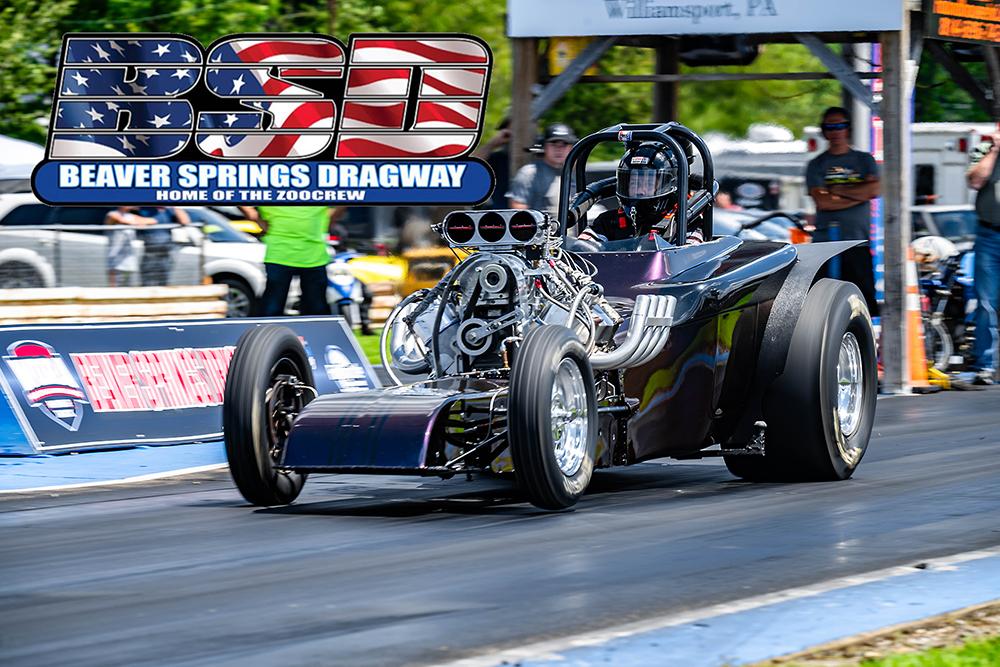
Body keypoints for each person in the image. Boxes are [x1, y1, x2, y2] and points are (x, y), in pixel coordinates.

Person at [805, 107, 881, 315]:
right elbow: (823, 202)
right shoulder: (817, 164)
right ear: (824, 131)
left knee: (863, 301)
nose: (836, 131)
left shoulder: (864, 160)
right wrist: (858, 195)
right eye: (830, 126)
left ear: (848, 129)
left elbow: (875, 190)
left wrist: (839, 191)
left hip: (857, 242)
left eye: (840, 126)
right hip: (826, 245)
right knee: (824, 304)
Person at [580, 141, 704, 246]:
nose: (640, 191)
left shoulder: (685, 223)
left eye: (648, 184)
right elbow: (582, 250)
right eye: (634, 183)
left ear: (669, 185)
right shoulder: (607, 222)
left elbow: (688, 259)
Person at [240, 205, 331, 317]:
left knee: (316, 308)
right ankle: (268, 333)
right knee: (273, 308)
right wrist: (254, 217)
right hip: (283, 254)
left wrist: (255, 218)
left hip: (311, 255)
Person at [963, 129, 1000, 385]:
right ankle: (985, 366)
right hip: (989, 234)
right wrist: (995, 150)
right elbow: (975, 180)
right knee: (986, 303)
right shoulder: (986, 148)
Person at [508, 122, 577, 217]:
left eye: (564, 144)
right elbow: (518, 208)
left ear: (571, 148)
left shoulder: (574, 174)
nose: (559, 149)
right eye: (553, 143)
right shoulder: (529, 173)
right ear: (544, 146)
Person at [135, 206, 190, 286]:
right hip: (150, 251)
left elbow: (185, 221)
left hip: (166, 251)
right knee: (147, 281)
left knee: (163, 281)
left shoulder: (170, 210)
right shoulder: (145, 209)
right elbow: (132, 218)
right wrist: (150, 221)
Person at [103, 206, 150, 286]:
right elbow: (120, 220)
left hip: (128, 257)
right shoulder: (112, 214)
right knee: (114, 286)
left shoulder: (131, 216)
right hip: (114, 257)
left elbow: (152, 221)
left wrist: (140, 222)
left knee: (127, 284)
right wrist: (137, 223)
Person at [475, 119, 511, 210]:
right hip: (499, 214)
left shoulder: (534, 155)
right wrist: (492, 144)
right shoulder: (497, 158)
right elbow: (469, 166)